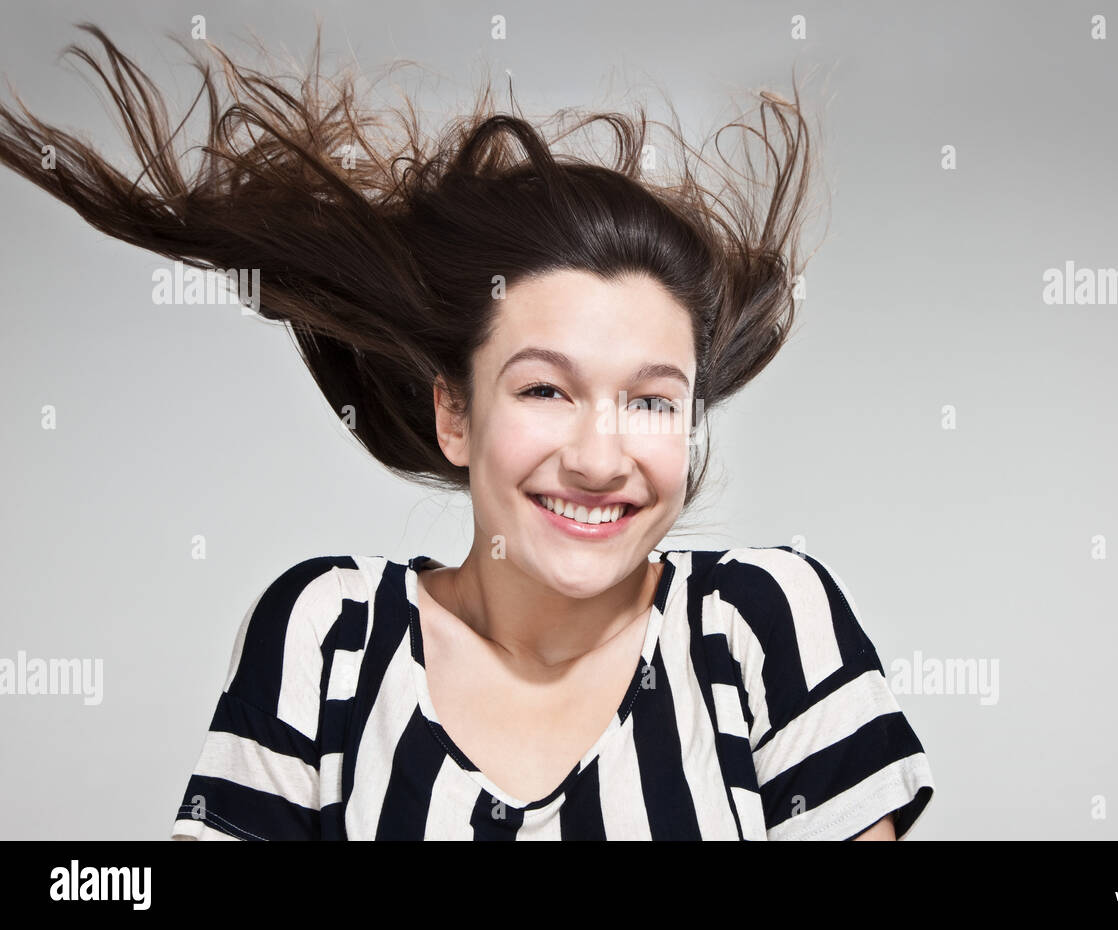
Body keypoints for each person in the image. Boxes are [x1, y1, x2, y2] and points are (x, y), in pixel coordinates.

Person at [0, 23, 936, 840]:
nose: (601, 458)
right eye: (544, 391)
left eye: (652, 402)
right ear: (455, 410)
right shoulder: (328, 642)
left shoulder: (765, 627)